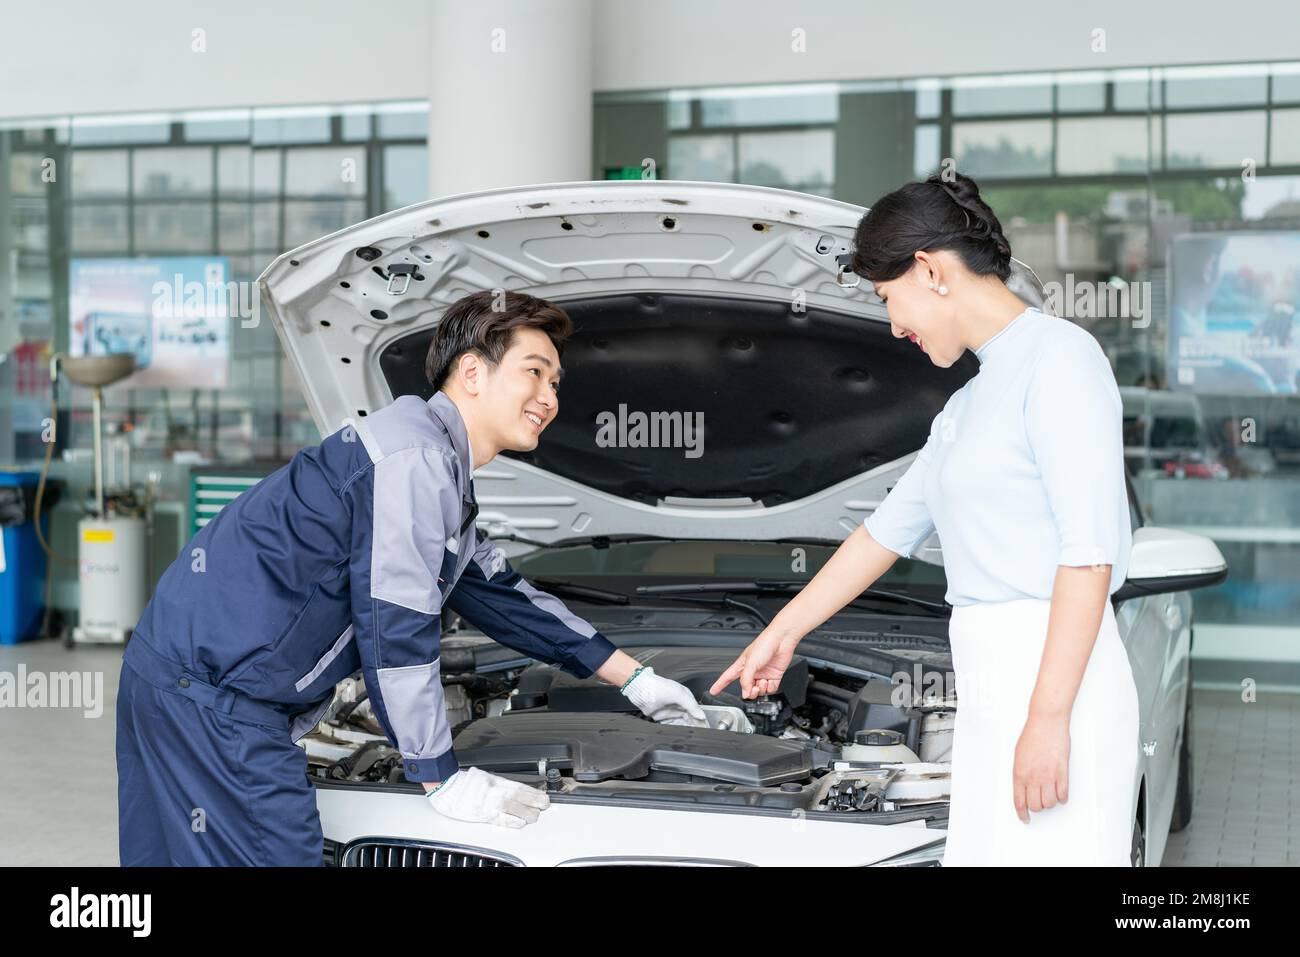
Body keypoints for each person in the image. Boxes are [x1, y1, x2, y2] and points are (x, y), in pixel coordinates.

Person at [116, 289, 709, 866]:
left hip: (176, 675)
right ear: (472, 372)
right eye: (534, 372)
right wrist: (438, 775)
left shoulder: (433, 466)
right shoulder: (414, 461)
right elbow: (396, 627)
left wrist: (638, 681)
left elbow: (505, 598)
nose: (549, 397)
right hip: (216, 698)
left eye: (555, 383)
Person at [710, 172, 1140, 866]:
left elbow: (1088, 555)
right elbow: (881, 534)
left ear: (930, 270)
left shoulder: (1062, 359)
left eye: (888, 298)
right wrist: (781, 632)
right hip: (994, 693)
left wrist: (1048, 720)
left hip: (1060, 687)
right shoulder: (964, 409)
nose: (892, 325)